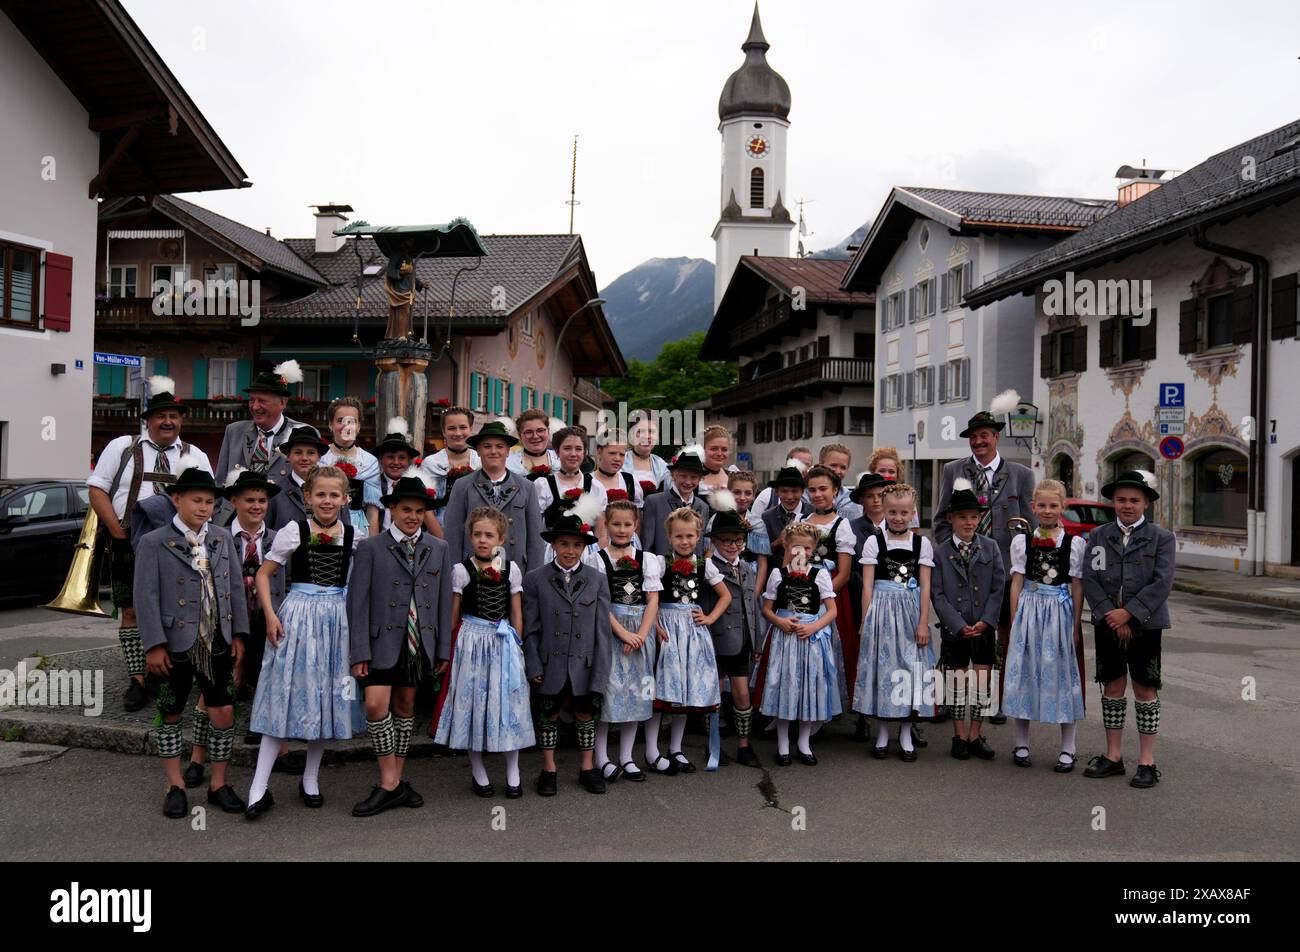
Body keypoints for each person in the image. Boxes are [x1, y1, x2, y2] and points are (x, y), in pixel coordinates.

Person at [244, 465, 360, 820]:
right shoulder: (294, 531)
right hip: (298, 615)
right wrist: (270, 614)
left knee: (325, 699)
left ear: (345, 498)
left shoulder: (354, 534)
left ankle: (310, 778)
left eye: (334, 495)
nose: (327, 501)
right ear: (308, 497)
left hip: (335, 619)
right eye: (320, 494)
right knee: (284, 697)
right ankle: (258, 788)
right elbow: (263, 574)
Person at [88, 375, 209, 711]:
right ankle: (137, 679)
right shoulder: (122, 447)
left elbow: (207, 501)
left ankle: (164, 673)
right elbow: (97, 489)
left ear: (181, 420)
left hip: (180, 546)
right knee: (130, 611)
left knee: (176, 610)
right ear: (148, 420)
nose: (167, 421)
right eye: (160, 416)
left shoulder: (195, 454)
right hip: (127, 540)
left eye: (173, 416)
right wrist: (117, 533)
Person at [133, 462, 247, 818]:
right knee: (170, 712)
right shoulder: (154, 542)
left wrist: (239, 634)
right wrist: (153, 644)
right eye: (196, 500)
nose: (203, 508)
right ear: (176, 499)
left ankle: (219, 784)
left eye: (210, 502)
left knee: (224, 712)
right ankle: (174, 785)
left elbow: (233, 590)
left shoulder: (222, 537)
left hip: (216, 640)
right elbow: (145, 596)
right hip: (173, 644)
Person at [348, 475, 453, 815]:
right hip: (381, 642)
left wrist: (441, 650)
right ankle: (389, 781)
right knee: (376, 707)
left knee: (406, 708)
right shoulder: (370, 547)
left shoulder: (438, 548)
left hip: (418, 643)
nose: (412, 516)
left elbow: (440, 601)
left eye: (419, 511)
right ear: (391, 508)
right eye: (406, 509)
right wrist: (360, 651)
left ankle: (395, 781)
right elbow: (358, 602)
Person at [933, 392, 1037, 725]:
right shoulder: (953, 470)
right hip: (961, 570)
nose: (979, 442)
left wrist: (1025, 566)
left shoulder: (1020, 474)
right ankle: (949, 699)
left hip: (1004, 571)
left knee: (1001, 637)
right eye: (974, 437)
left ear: (996, 437)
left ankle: (994, 698)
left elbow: (1030, 524)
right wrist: (949, 556)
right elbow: (939, 521)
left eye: (984, 436)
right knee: (954, 635)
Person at [1082, 470, 1174, 789]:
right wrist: (1110, 613)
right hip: (1108, 623)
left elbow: (1162, 582)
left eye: (1134, 500)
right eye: (1121, 500)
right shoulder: (1097, 537)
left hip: (1146, 625)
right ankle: (1113, 756)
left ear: (1146, 502)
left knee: (1146, 687)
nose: (1127, 505)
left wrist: (1130, 614)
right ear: (1112, 502)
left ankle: (1147, 761)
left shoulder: (1162, 538)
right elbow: (1090, 578)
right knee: (1112, 687)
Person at [434, 507, 532, 796]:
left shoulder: (511, 569)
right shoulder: (461, 571)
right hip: (471, 641)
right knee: (474, 703)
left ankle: (513, 771)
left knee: (508, 703)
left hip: (503, 640)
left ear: (501, 538)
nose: (482, 540)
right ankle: (478, 771)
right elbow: (453, 615)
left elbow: (517, 612)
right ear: (469, 537)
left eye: (489, 535)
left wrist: (519, 645)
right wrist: (447, 650)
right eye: (477, 534)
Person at [523, 502, 613, 795]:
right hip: (550, 662)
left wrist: (600, 670)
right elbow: (531, 627)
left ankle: (587, 767)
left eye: (576, 545)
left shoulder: (597, 580)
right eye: (564, 544)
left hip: (584, 663)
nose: (570, 551)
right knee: (548, 715)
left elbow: (602, 630)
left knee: (586, 714)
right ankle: (549, 769)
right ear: (553, 544)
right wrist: (534, 664)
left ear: (584, 547)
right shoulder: (535, 578)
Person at [853, 483, 935, 761]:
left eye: (904, 512)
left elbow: (925, 586)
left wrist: (923, 623)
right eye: (892, 512)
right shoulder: (874, 541)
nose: (898, 517)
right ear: (884, 511)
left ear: (913, 513)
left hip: (910, 612)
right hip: (882, 612)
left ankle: (905, 732)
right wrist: (866, 621)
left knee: (909, 672)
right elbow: (867, 586)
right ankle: (883, 733)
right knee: (885, 671)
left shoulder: (921, 543)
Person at [583, 499, 662, 783]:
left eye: (628, 524)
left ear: (636, 526)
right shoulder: (597, 559)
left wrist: (641, 634)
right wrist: (622, 633)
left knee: (637, 697)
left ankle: (627, 756)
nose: (622, 529)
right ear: (606, 524)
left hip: (641, 631)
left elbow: (653, 599)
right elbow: (599, 603)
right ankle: (602, 756)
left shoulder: (648, 559)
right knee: (610, 696)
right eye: (616, 524)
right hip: (611, 630)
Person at [646, 507, 728, 774]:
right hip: (667, 629)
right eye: (679, 536)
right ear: (669, 537)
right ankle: (651, 749)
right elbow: (651, 598)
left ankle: (676, 748)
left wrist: (710, 618)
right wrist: (655, 624)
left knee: (684, 692)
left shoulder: (704, 564)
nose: (684, 541)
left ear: (698, 536)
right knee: (661, 692)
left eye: (690, 536)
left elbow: (725, 596)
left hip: (692, 631)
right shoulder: (660, 563)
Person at [930, 478, 1006, 761]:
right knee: (958, 682)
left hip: (984, 627)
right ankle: (959, 735)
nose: (969, 522)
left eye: (974, 517)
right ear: (951, 518)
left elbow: (999, 587)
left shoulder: (991, 547)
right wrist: (958, 625)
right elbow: (937, 594)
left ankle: (976, 734)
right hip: (956, 629)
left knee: (984, 681)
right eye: (962, 517)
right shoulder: (940, 552)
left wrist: (987, 621)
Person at [754, 522, 840, 765]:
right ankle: (783, 743)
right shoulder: (777, 575)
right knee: (786, 688)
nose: (801, 552)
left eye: (807, 548)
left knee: (807, 690)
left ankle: (804, 742)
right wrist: (779, 622)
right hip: (786, 640)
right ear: (786, 547)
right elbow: (767, 609)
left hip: (810, 639)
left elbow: (832, 611)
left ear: (813, 550)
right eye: (795, 547)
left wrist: (813, 626)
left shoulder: (820, 575)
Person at [222, 469, 287, 750]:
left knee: (264, 669)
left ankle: (257, 723)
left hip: (266, 614)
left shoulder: (279, 539)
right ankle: (221, 722)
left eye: (262, 500)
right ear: (234, 501)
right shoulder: (220, 537)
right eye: (250, 500)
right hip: (230, 615)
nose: (257, 506)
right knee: (229, 671)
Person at [701, 491, 760, 766]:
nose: (733, 545)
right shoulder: (708, 569)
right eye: (726, 541)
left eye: (737, 540)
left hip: (743, 640)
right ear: (714, 542)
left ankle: (744, 745)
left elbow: (753, 607)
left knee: (743, 693)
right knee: (714, 694)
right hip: (717, 639)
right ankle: (712, 745)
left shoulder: (748, 569)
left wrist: (756, 643)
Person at [441, 419, 543, 573]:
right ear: (478, 451)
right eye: (487, 446)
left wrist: (532, 580)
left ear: (508, 451)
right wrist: (454, 575)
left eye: (500, 446)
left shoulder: (527, 487)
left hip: (514, 569)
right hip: (472, 571)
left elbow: (535, 540)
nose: (493, 451)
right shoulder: (463, 486)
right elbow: (452, 535)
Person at [803, 465, 858, 712]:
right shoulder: (802, 522)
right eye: (812, 489)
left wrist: (820, 599)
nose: (817, 494)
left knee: (830, 650)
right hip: (801, 592)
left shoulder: (842, 525)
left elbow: (844, 573)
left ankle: (827, 704)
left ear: (835, 490)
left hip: (831, 595)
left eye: (823, 488)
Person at [215, 360, 303, 478]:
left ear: (282, 403)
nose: (255, 407)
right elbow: (220, 481)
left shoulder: (302, 432)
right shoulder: (234, 431)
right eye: (252, 400)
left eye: (262, 401)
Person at [535, 425, 607, 555]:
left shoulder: (596, 487)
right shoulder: (543, 485)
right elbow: (537, 529)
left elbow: (601, 533)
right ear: (557, 451)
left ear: (585, 452)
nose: (573, 454)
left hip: (586, 551)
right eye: (567, 448)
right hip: (552, 551)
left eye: (578, 449)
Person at [321, 396, 382, 537]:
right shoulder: (321, 458)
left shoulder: (369, 461)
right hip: (324, 526)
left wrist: (371, 548)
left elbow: (372, 511)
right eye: (340, 421)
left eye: (352, 421)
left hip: (358, 528)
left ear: (359, 426)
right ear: (330, 425)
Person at [639, 445, 711, 557]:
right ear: (673, 475)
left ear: (700, 479)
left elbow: (699, 544)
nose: (688, 482)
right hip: (661, 568)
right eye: (683, 476)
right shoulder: (654, 502)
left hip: (691, 569)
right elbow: (648, 543)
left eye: (693, 477)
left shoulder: (703, 506)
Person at [757, 461, 813, 592]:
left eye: (795, 491)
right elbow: (762, 554)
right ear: (776, 492)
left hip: (806, 578)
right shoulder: (767, 516)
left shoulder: (811, 513)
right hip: (776, 579)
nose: (789, 497)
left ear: (802, 491)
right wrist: (777, 542)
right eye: (784, 491)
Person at [420, 405, 481, 526]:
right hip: (440, 528)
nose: (458, 433)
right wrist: (441, 540)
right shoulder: (431, 463)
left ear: (471, 429)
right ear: (443, 431)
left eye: (463, 427)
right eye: (452, 428)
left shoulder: (480, 461)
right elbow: (425, 507)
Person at [266, 426, 329, 530]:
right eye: (298, 452)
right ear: (288, 456)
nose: (304, 458)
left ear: (319, 456)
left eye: (311, 453)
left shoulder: (333, 490)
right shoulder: (275, 492)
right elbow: (266, 533)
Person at [749, 447, 813, 520]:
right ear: (787, 464)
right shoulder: (768, 495)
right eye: (799, 463)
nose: (803, 468)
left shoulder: (813, 495)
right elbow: (753, 524)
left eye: (807, 465)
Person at [622, 413, 669, 496]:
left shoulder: (662, 466)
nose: (647, 436)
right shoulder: (620, 461)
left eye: (652, 431)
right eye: (641, 431)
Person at [508, 408, 561, 478]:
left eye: (540, 430)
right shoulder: (509, 463)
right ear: (520, 435)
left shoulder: (561, 460)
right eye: (529, 432)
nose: (535, 436)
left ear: (548, 431)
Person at [697, 425, 735, 496]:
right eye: (714, 449)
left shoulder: (733, 477)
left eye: (724, 449)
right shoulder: (692, 477)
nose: (719, 454)